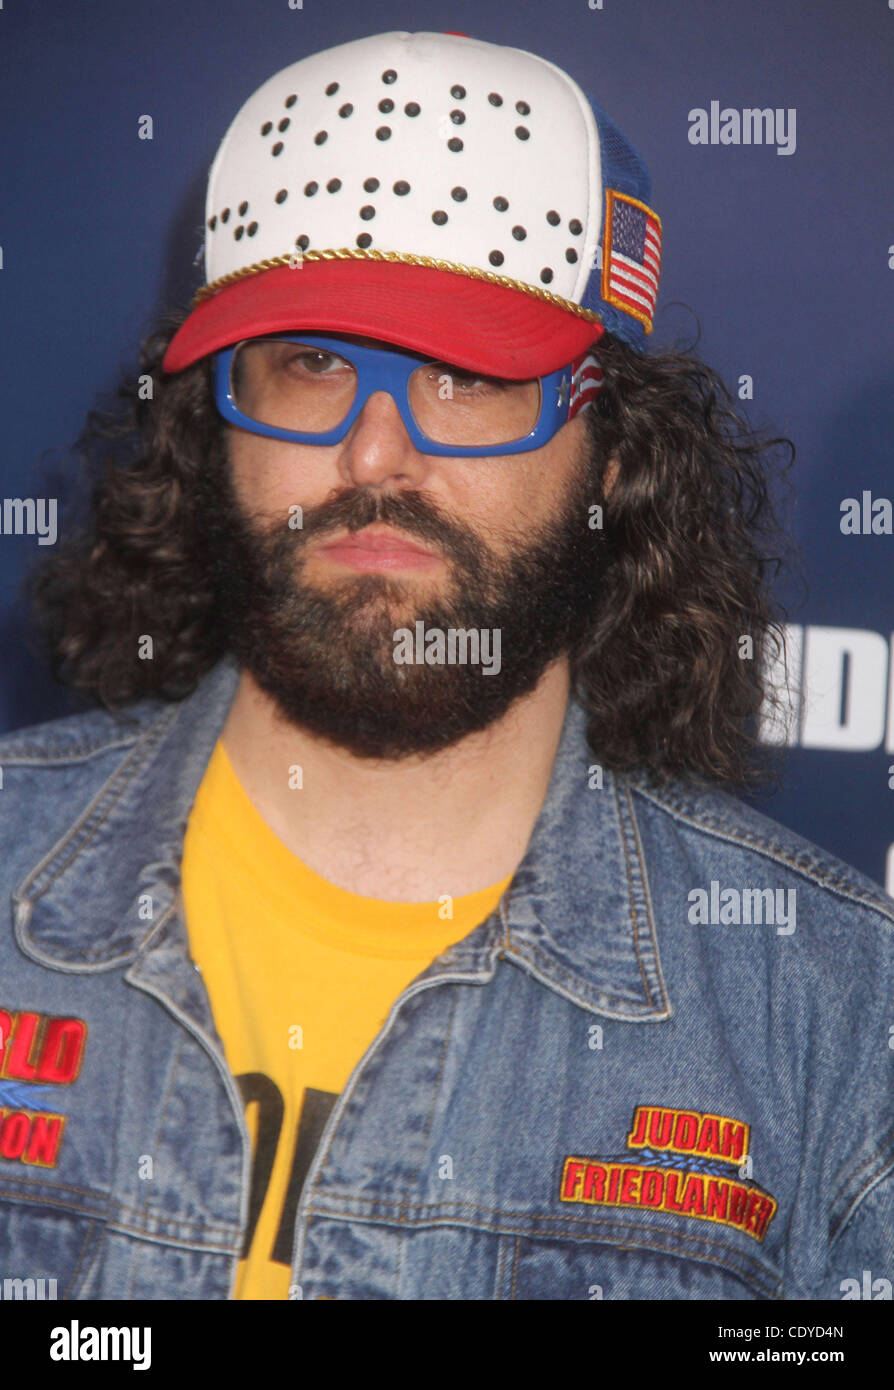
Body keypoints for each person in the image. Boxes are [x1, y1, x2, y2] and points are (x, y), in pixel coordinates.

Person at [3, 29, 892, 1302]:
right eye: (310, 365)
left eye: (469, 373)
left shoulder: (836, 1022)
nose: (373, 456)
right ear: (211, 430)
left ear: (617, 449)